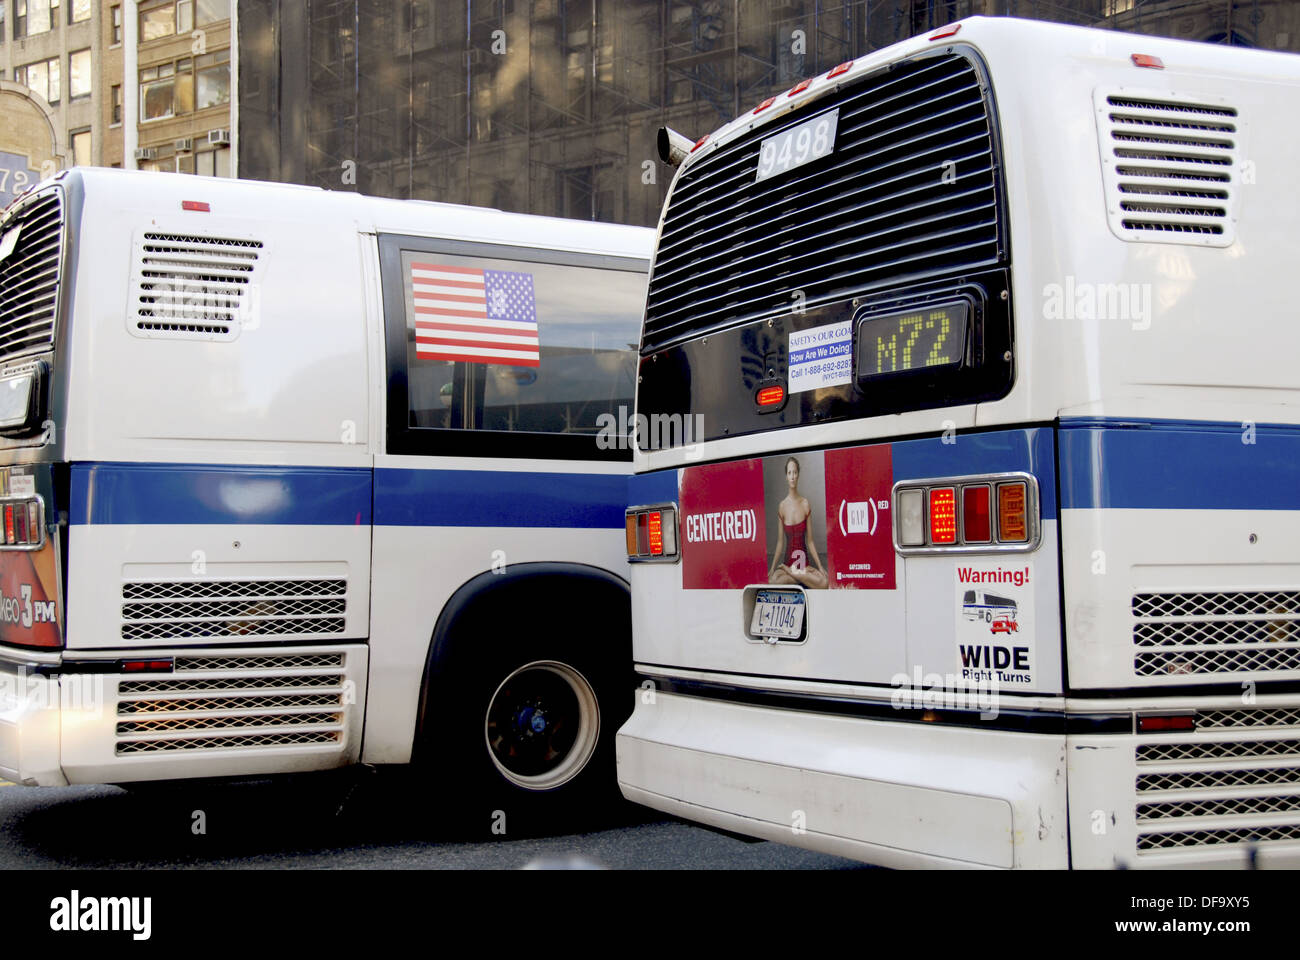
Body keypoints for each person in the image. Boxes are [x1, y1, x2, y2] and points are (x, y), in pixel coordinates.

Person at [768, 456, 829, 589]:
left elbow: (810, 541)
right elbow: (780, 542)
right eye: (789, 473)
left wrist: (820, 567)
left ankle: (794, 575)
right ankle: (799, 578)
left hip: (803, 566)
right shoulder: (782, 506)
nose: (792, 476)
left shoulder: (805, 504)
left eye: (795, 472)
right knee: (773, 580)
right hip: (787, 564)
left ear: (798, 474)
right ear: (786, 476)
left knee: (824, 582)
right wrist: (772, 568)